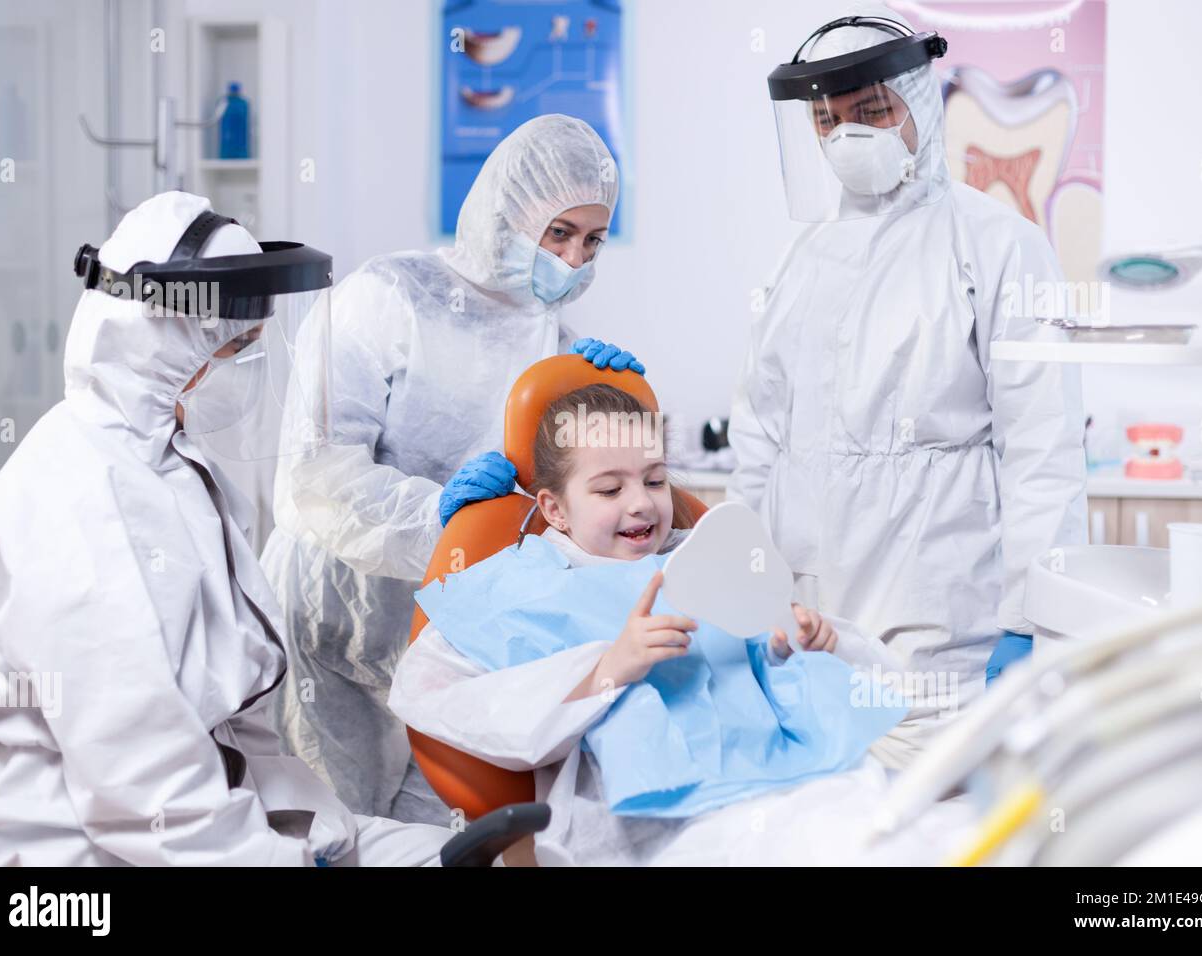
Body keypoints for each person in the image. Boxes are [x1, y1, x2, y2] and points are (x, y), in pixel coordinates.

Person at [0, 191, 451, 865]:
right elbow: (148, 791)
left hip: (202, 827)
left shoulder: (171, 465)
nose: (251, 370)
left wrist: (335, 835)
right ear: (161, 340)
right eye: (238, 348)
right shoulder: (82, 496)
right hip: (65, 858)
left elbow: (229, 738)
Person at [388, 384, 963, 866]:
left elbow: (866, 675)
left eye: (656, 480)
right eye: (610, 488)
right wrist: (604, 669)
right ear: (555, 509)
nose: (641, 503)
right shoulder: (524, 585)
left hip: (798, 780)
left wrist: (807, 645)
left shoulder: (707, 555)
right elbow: (425, 691)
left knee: (935, 832)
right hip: (660, 826)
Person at [729, 1, 1087, 766]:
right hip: (811, 635)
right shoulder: (799, 264)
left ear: (919, 101)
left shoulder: (997, 247)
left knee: (939, 829)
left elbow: (1044, 451)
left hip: (945, 643)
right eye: (828, 119)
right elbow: (758, 440)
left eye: (872, 110)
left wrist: (1032, 617)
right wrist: (742, 583)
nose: (847, 134)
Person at [262, 114, 644, 823]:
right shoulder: (389, 298)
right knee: (326, 834)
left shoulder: (555, 342)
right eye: (558, 233)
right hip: (333, 622)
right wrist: (438, 516)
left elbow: (557, 505)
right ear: (507, 212)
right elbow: (311, 476)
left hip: (450, 641)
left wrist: (609, 408)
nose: (573, 259)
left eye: (591, 240)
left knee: (431, 837)